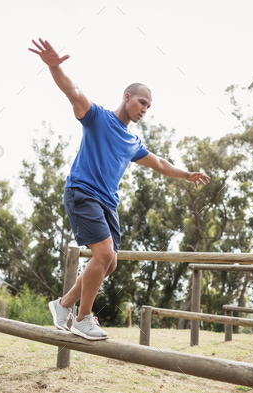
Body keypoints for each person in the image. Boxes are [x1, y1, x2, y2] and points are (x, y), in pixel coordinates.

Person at [29, 38, 210, 340]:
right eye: (142, 103)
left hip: (107, 204)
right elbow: (72, 91)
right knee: (103, 255)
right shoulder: (97, 117)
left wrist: (185, 174)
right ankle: (82, 318)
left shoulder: (133, 142)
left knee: (109, 262)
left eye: (149, 107)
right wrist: (55, 67)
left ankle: (63, 306)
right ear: (127, 97)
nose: (144, 110)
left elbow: (161, 164)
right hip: (82, 192)